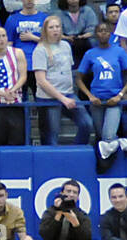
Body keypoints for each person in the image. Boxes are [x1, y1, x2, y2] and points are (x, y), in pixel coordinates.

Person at [76, 21, 127, 160]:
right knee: (100, 136)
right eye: (100, 31)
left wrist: (120, 94)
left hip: (114, 100)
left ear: (110, 33)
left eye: (106, 30)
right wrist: (90, 96)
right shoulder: (90, 53)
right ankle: (106, 163)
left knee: (108, 136)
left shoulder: (119, 51)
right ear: (96, 34)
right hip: (96, 101)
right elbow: (79, 78)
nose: (103, 33)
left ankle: (125, 143)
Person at [33, 14, 92, 146]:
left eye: (58, 27)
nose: (55, 30)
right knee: (51, 135)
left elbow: (67, 70)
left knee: (86, 123)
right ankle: (52, 162)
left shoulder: (66, 45)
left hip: (68, 93)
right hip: (48, 98)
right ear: (45, 30)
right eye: (51, 27)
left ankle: (76, 151)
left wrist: (67, 95)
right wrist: (62, 99)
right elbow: (41, 81)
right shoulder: (40, 50)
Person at [32, 180, 102, 240]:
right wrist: (57, 215)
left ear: (78, 197)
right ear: (62, 193)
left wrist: (75, 223)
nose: (71, 194)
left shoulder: (82, 214)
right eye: (68, 191)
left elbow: (86, 239)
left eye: (75, 192)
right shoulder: (50, 211)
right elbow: (46, 236)